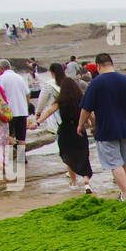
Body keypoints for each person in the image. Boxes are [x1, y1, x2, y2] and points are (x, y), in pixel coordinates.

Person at [78, 53, 126, 200]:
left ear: (98, 66)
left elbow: (86, 109)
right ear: (111, 64)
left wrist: (80, 125)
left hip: (106, 130)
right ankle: (123, 192)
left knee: (115, 164)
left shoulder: (95, 84)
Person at [31, 62, 93, 191]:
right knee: (83, 155)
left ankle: (74, 182)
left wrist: (37, 122)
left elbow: (48, 111)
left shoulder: (61, 100)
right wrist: (94, 127)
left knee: (68, 156)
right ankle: (86, 182)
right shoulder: (81, 99)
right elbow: (91, 115)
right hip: (79, 129)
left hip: (65, 131)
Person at [0, 59, 31, 163]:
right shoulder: (20, 77)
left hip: (10, 112)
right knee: (21, 137)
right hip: (22, 111)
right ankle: (22, 158)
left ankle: (12, 152)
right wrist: (26, 108)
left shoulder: (2, 78)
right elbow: (27, 94)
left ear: (1, 68)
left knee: (8, 136)